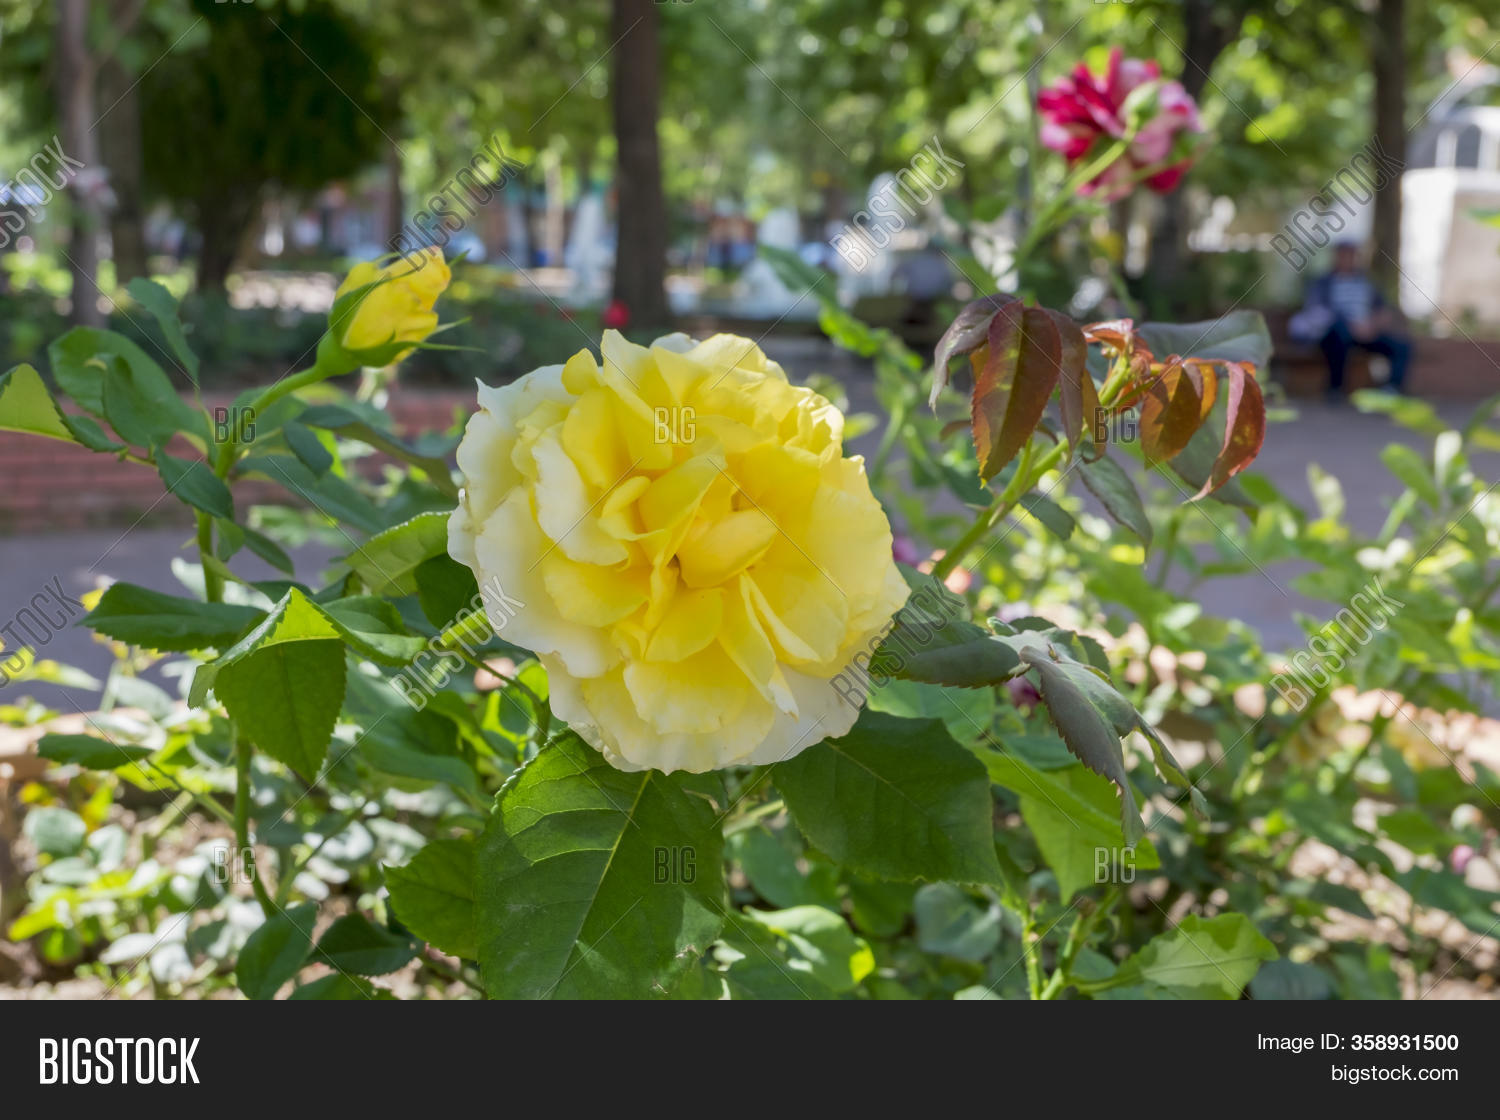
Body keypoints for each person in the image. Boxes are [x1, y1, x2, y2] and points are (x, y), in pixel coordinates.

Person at [1293, 241, 1412, 398]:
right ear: (1336, 257)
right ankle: (1335, 388)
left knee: (1402, 345)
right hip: (1337, 332)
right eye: (1344, 255)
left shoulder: (1368, 282)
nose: (1348, 259)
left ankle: (1391, 389)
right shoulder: (1323, 283)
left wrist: (1372, 324)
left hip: (1367, 331)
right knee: (1337, 336)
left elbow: (1383, 309)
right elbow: (1317, 311)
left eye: (1352, 255)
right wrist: (1351, 325)